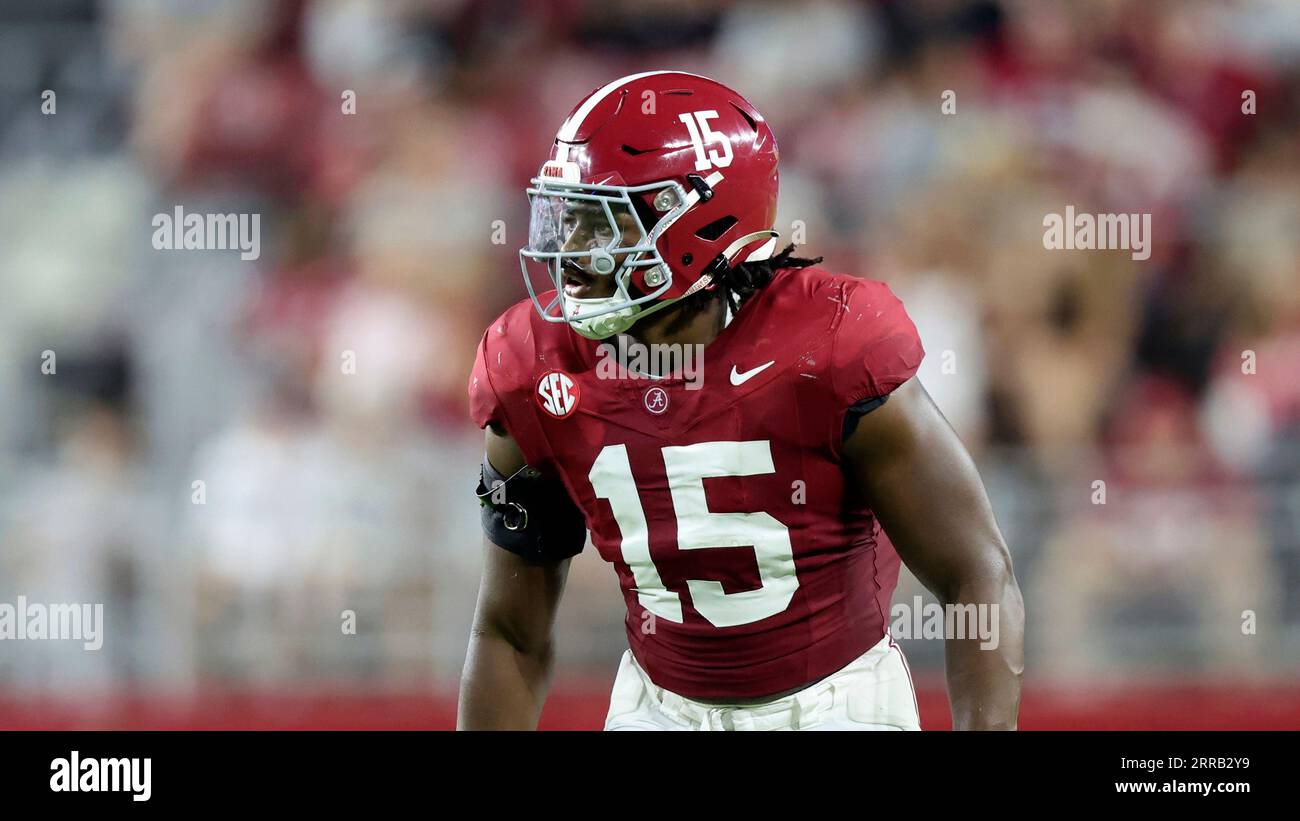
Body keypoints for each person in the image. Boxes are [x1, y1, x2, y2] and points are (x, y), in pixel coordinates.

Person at [458, 71, 1023, 731]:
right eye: (563, 218)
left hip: (836, 705)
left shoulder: (827, 349)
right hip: (658, 708)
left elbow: (977, 573)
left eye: (598, 226)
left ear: (697, 221)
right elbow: (510, 630)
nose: (567, 256)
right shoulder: (535, 367)